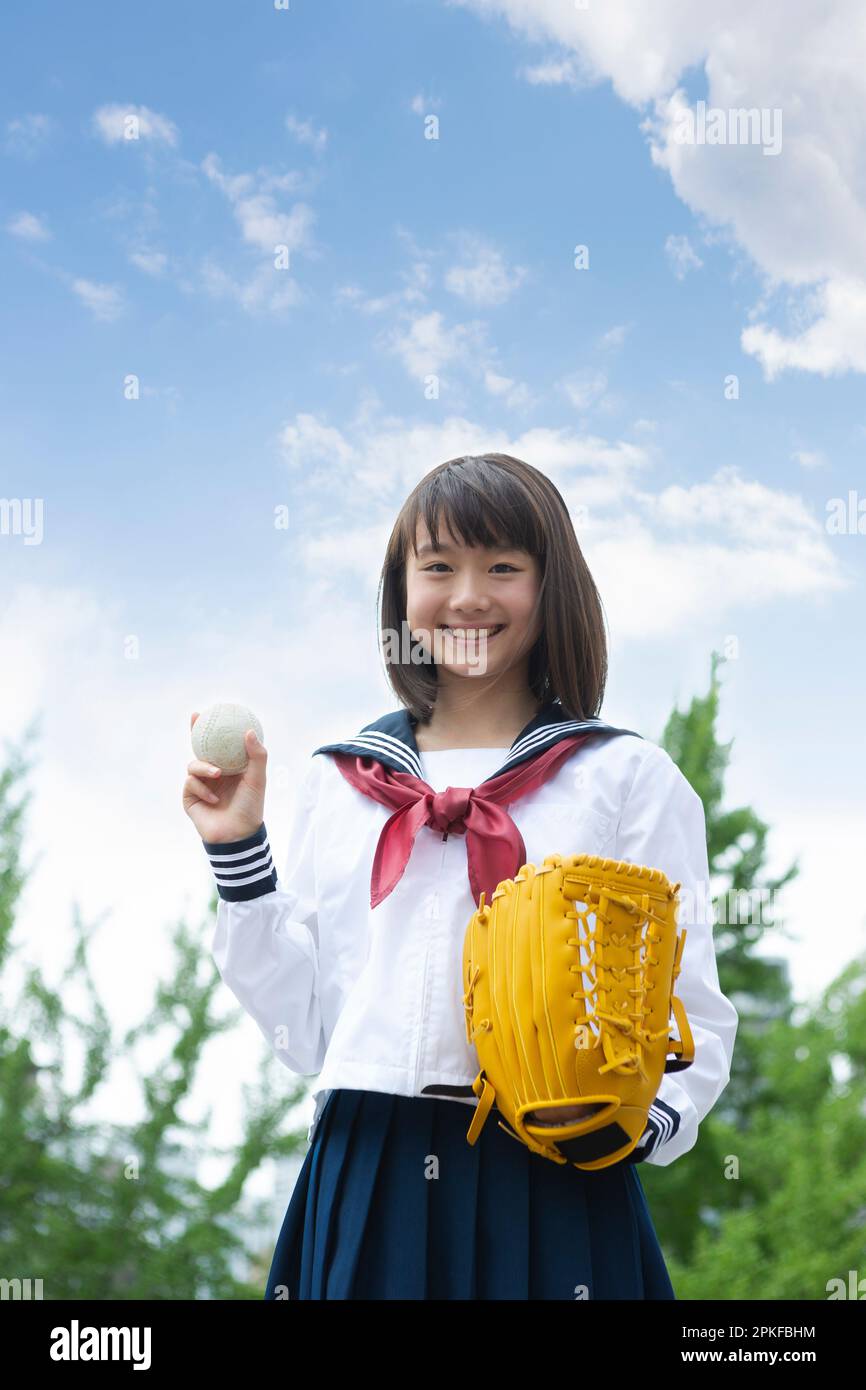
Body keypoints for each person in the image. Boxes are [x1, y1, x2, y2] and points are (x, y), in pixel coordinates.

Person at [182, 452, 738, 1300]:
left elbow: (690, 1009)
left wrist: (637, 1127)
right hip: (365, 1170)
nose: (468, 595)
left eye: (503, 567)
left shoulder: (626, 778)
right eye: (437, 566)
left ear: (553, 590)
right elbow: (307, 1030)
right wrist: (239, 849)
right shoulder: (339, 781)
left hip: (553, 1172)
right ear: (400, 589)